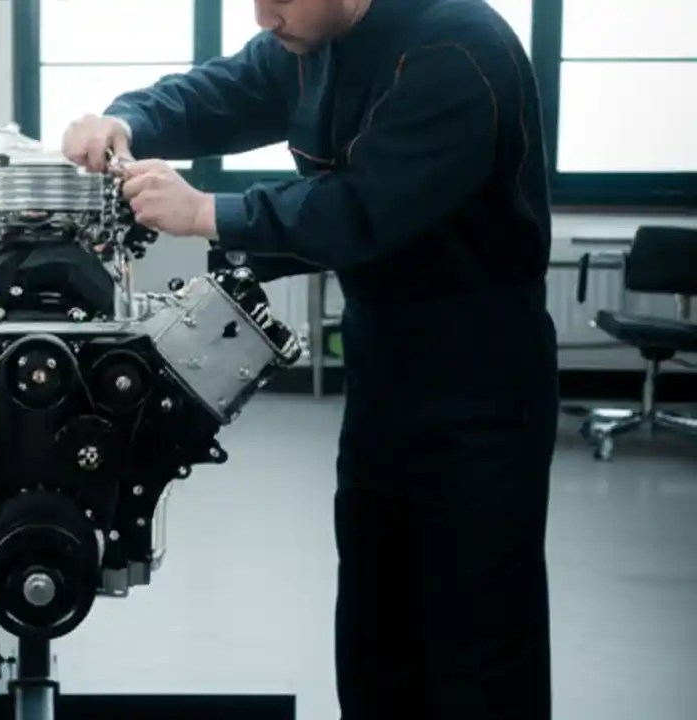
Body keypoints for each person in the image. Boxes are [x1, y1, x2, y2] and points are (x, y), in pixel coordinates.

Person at [62, 0, 558, 718]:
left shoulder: (454, 47)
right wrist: (126, 119)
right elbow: (219, 93)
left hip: (481, 378)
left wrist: (209, 213)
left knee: (478, 643)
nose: (264, 16)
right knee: (376, 631)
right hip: (385, 366)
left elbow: (363, 209)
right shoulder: (306, 39)